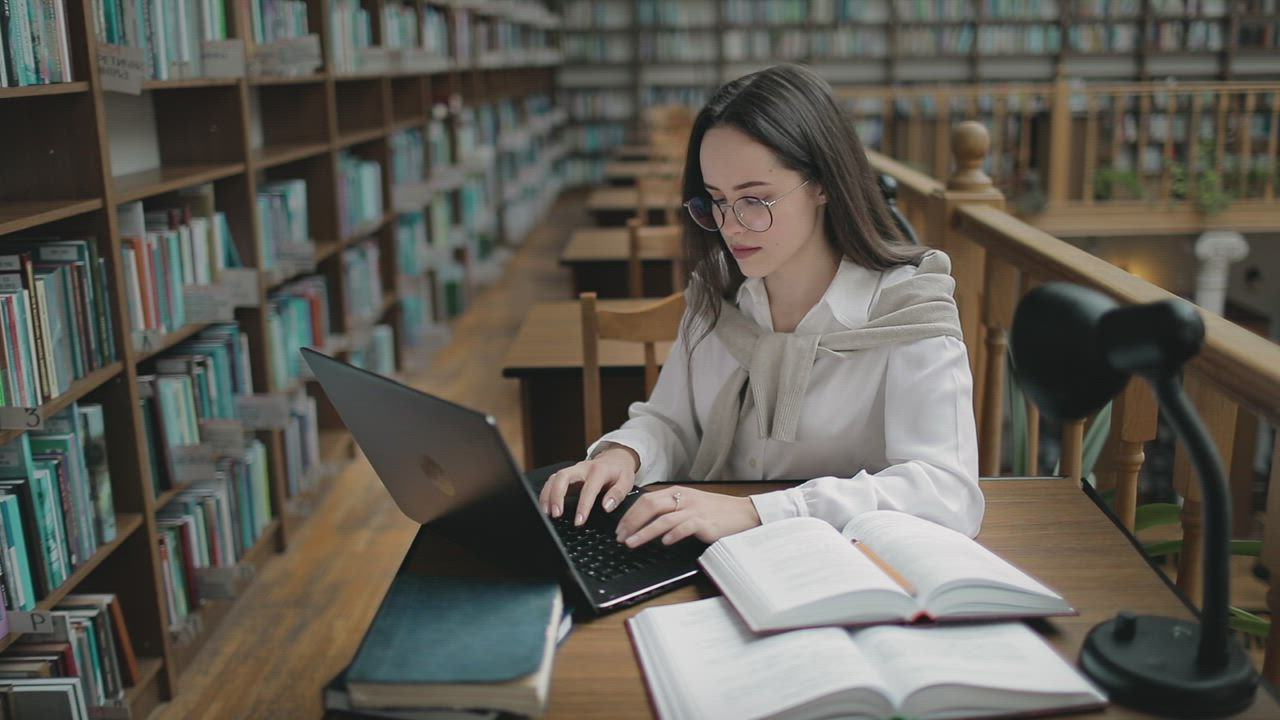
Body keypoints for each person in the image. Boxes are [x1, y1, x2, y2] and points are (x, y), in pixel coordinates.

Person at [538, 64, 983, 549]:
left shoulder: (907, 305)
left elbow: (948, 493)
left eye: (755, 200)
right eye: (715, 201)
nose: (730, 227)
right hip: (713, 550)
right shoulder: (716, 290)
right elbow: (672, 420)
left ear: (822, 184)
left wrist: (758, 512)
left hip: (847, 561)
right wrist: (623, 454)